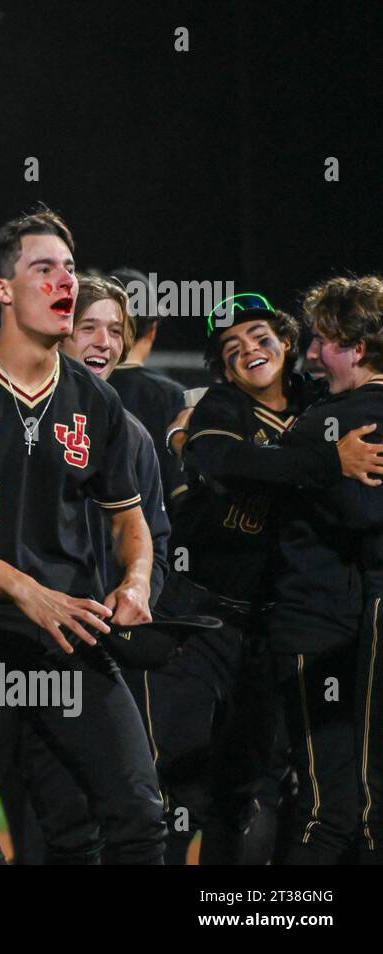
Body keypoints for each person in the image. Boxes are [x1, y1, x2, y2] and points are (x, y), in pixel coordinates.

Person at [0, 208, 166, 864]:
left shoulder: (97, 401)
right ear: (3, 289)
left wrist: (136, 581)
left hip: (72, 640)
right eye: (43, 268)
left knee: (138, 815)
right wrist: (26, 591)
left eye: (70, 269)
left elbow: (129, 520)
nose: (64, 282)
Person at [162, 298, 383, 863]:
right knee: (181, 784)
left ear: (287, 342)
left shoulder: (321, 402)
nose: (249, 351)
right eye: (232, 349)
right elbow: (216, 458)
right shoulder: (222, 406)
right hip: (206, 623)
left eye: (260, 337)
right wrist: (327, 464)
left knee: (263, 788)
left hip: (280, 621)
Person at [266, 277, 383, 863]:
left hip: (318, 624)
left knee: (329, 808)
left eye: (323, 340)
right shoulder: (325, 421)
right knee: (352, 805)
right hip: (338, 625)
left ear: (356, 348)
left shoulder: (329, 420)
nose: (311, 353)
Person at [107, 267, 187, 506]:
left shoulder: (76, 387)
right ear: (152, 329)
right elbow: (181, 491)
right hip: (153, 534)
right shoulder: (172, 396)